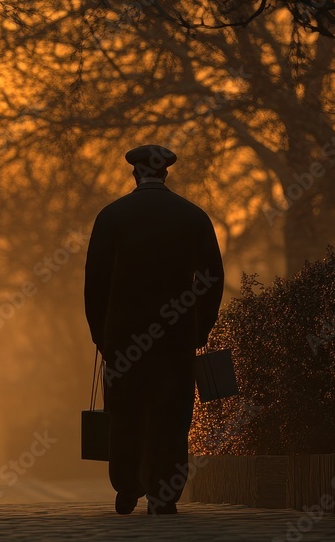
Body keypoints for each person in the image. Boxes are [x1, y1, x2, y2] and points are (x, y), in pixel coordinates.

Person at [83, 144, 224, 515]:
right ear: (166, 174)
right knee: (172, 414)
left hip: (124, 338)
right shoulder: (193, 217)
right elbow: (211, 279)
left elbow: (96, 282)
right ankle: (165, 493)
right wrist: (201, 329)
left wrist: (102, 334)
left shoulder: (111, 217)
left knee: (126, 413)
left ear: (135, 174)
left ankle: (127, 487)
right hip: (176, 337)